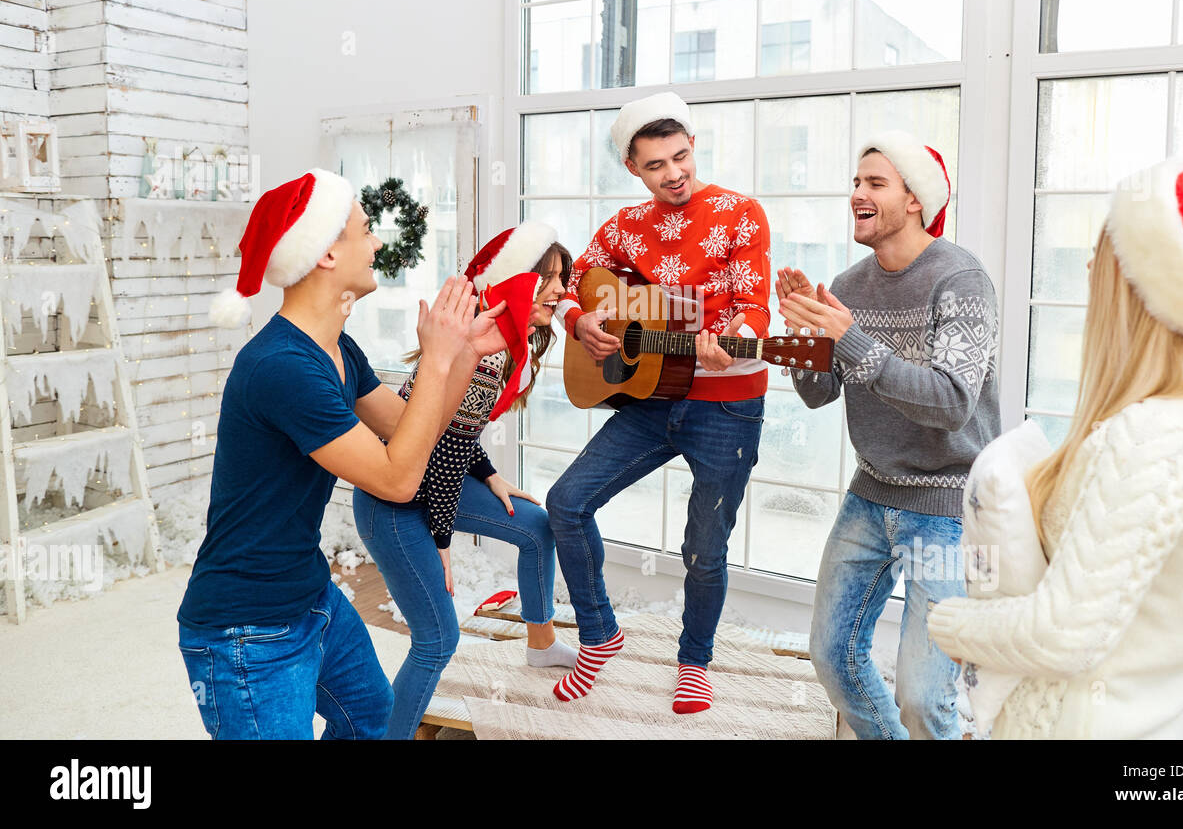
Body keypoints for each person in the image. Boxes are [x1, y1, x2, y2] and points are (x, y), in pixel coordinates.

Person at [926, 162, 1183, 738]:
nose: (1088, 267)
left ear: (1151, 294)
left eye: (1104, 255)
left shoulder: (1155, 437)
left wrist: (950, 623)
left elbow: (1062, 633)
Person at [177, 169, 507, 740]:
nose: (377, 241)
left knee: (372, 725)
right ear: (327, 252)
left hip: (313, 597)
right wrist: (433, 360)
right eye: (365, 230)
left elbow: (412, 435)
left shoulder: (335, 348)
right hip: (247, 627)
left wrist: (461, 360)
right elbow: (398, 480)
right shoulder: (283, 367)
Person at [546, 91, 771, 714]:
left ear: (693, 145)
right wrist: (577, 320)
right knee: (566, 503)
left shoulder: (740, 214)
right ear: (633, 169)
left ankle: (694, 661)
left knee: (704, 548)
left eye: (680, 157)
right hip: (649, 401)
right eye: (655, 166)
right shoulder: (624, 227)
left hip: (725, 404)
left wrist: (741, 344)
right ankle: (599, 634)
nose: (673, 174)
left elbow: (754, 311)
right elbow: (572, 279)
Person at [778, 131, 1001, 739]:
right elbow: (818, 393)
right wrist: (804, 339)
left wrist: (847, 339)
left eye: (875, 183)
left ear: (915, 200)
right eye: (856, 181)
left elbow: (953, 401)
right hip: (871, 493)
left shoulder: (961, 280)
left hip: (949, 508)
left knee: (924, 697)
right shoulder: (848, 288)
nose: (858, 192)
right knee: (832, 656)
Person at [352, 223, 579, 739]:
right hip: (395, 501)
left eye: (563, 279)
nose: (561, 290)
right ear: (518, 281)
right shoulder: (483, 350)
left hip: (431, 480)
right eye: (549, 278)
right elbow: (443, 449)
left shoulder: (495, 341)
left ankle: (541, 646)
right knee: (436, 640)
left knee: (536, 527)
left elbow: (451, 434)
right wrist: (441, 540)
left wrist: (492, 474)